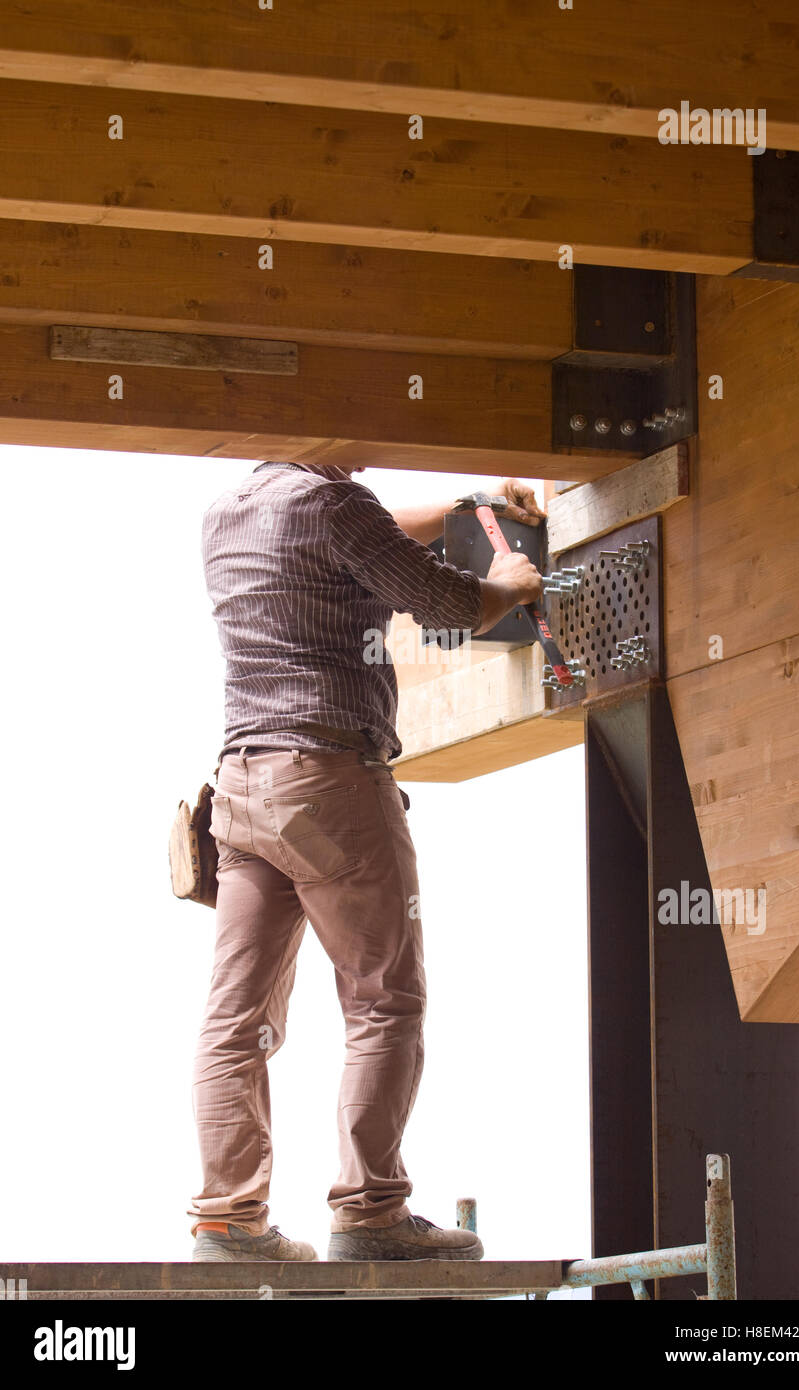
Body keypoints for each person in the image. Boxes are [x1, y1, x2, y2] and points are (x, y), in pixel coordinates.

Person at [189, 459, 544, 1263]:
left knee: (235, 1019)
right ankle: (371, 1214)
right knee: (384, 999)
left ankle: (228, 1221)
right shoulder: (336, 503)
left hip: (240, 789)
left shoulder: (230, 509)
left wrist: (468, 502)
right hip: (331, 782)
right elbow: (454, 607)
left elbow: (361, 536)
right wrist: (511, 582)